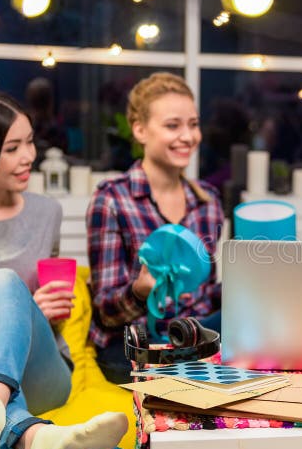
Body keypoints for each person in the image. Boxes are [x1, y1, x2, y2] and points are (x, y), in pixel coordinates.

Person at [0, 89, 128, 449]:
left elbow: (41, 311)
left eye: (29, 141)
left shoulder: (47, 212)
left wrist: (38, 313)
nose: (29, 156)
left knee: (5, 282)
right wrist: (1, 325)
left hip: (42, 373)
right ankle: (42, 441)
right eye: (12, 148)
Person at [87, 72, 224, 384]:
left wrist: (247, 290)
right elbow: (106, 310)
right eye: (173, 125)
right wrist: (140, 291)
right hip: (136, 345)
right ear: (140, 130)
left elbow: (204, 291)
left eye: (193, 124)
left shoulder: (209, 201)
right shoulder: (111, 199)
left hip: (195, 334)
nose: (188, 136)